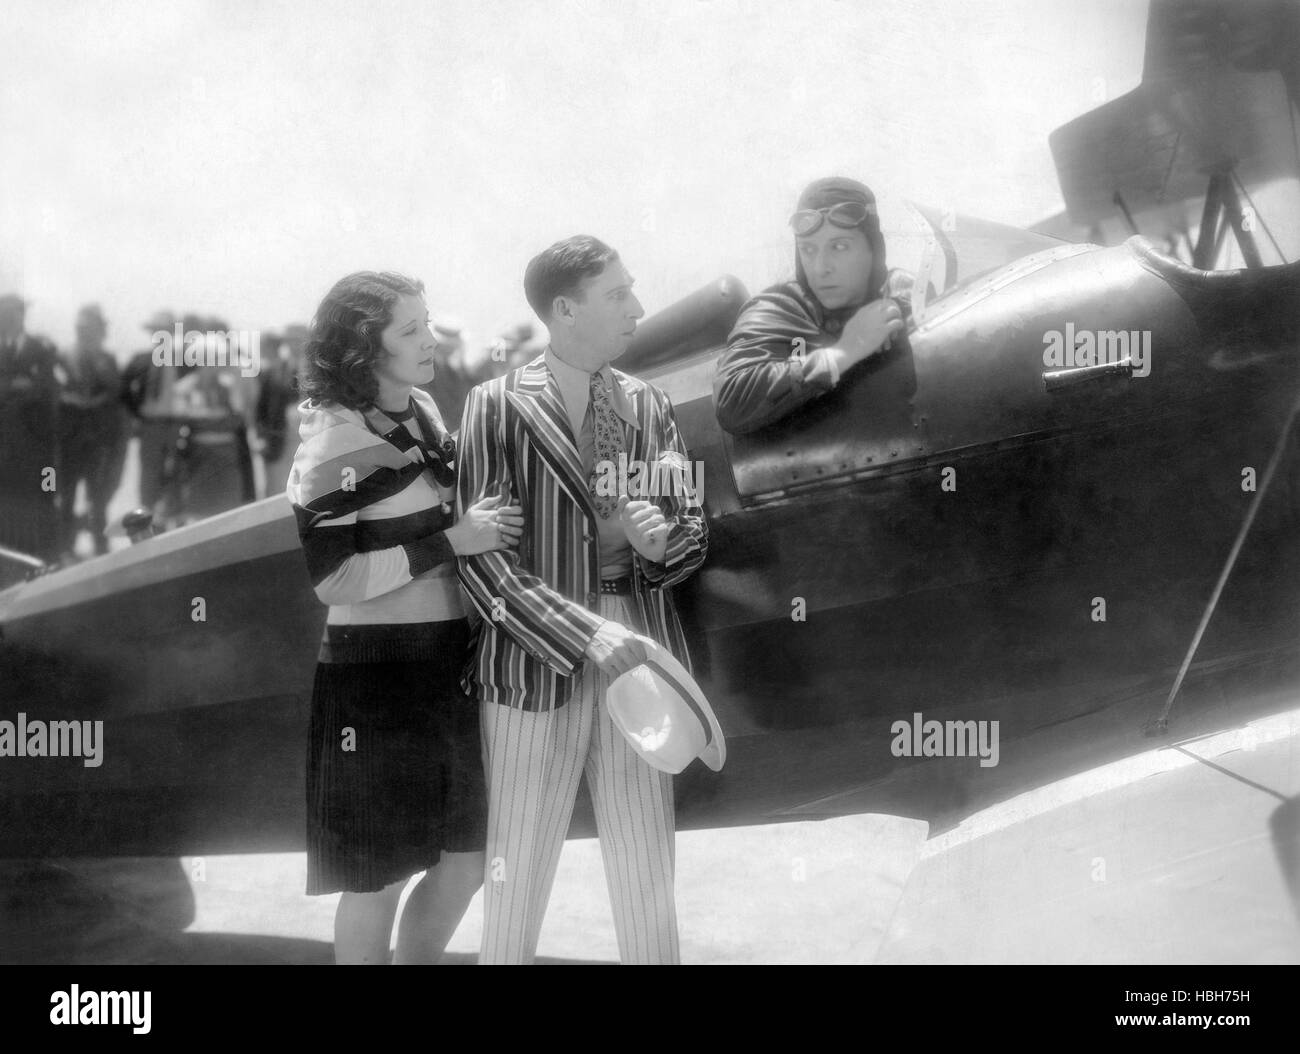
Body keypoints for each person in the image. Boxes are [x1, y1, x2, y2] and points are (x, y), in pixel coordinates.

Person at [456, 235, 708, 964]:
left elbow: (691, 527)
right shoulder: (495, 406)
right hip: (536, 662)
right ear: (565, 311)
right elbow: (486, 570)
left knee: (645, 873)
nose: (637, 307)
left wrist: (664, 545)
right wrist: (589, 635)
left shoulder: (649, 404)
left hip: (638, 641)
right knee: (518, 874)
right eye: (618, 294)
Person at [286, 271, 523, 964]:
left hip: (446, 662)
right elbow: (336, 580)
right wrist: (452, 542)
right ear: (364, 346)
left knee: (466, 860)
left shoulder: (419, 410)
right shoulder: (331, 443)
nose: (430, 340)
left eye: (428, 323)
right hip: (374, 678)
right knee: (377, 879)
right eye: (410, 330)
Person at [713, 177, 915, 434]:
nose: (821, 268)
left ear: (873, 250)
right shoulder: (777, 309)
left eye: (839, 246)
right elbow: (732, 400)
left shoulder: (899, 294)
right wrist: (842, 353)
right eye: (808, 250)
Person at [56, 304, 126, 557]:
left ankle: (100, 546)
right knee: (67, 496)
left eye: (89, 327)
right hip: (70, 439)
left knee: (98, 499)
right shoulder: (64, 355)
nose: (84, 332)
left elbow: (115, 394)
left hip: (97, 440)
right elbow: (55, 389)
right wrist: (71, 400)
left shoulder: (106, 359)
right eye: (81, 327)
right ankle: (64, 547)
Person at [0, 293, 61, 562]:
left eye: (12, 313)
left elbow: (48, 388)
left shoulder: (43, 349)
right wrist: (18, 386)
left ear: (22, 315)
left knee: (40, 496)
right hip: (4, 444)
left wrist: (17, 389)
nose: (6, 318)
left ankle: (39, 556)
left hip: (35, 444)